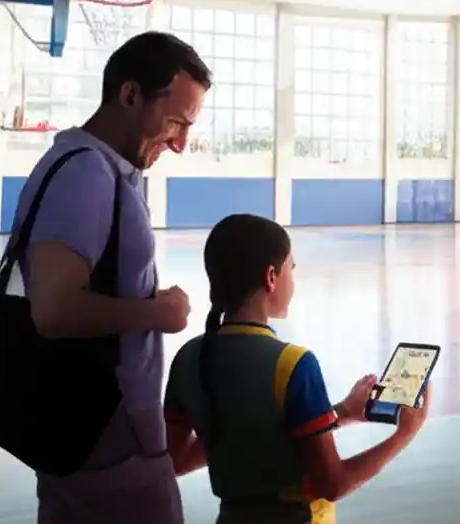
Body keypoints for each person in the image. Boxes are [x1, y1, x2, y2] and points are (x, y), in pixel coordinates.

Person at [11, 31, 212, 523]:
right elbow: (53, 310)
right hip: (109, 446)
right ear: (129, 94)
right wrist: (157, 313)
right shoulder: (87, 174)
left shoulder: (97, 170)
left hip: (86, 435)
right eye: (175, 122)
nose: (181, 143)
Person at [163, 214, 430, 523]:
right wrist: (405, 434)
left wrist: (342, 412)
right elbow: (333, 484)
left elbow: (180, 459)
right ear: (271, 277)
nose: (294, 278)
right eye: (291, 267)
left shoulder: (188, 358)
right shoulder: (294, 364)